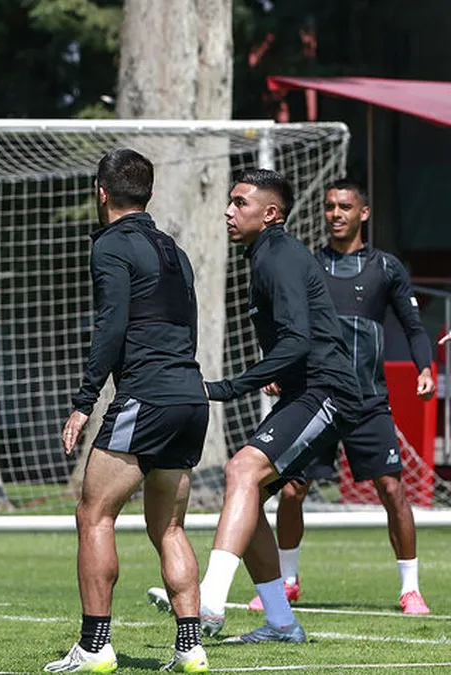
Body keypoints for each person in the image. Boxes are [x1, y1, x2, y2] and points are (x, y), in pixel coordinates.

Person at [148, 169, 363, 645]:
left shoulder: (278, 256)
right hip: (304, 389)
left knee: (241, 472)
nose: (229, 210)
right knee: (251, 494)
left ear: (269, 214)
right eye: (229, 201)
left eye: (240, 203)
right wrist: (278, 376)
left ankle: (210, 600)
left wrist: (229, 387)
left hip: (327, 392)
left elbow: (298, 339)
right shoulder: (267, 254)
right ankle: (283, 623)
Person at [45, 149, 209, 674]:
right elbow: (190, 326)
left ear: (101, 192)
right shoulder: (176, 251)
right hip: (190, 394)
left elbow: (111, 326)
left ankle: (94, 647)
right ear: (150, 194)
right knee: (170, 526)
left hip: (148, 395)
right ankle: (190, 648)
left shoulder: (111, 246)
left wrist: (83, 403)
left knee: (94, 514)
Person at [244, 180, 433, 615]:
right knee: (291, 491)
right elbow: (281, 323)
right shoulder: (306, 264)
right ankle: (288, 583)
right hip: (315, 397)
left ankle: (410, 589)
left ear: (363, 213)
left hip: (368, 400)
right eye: (329, 206)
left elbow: (413, 327)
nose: (336, 213)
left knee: (391, 488)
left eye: (345, 206)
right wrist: (275, 367)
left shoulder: (386, 267)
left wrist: (424, 367)